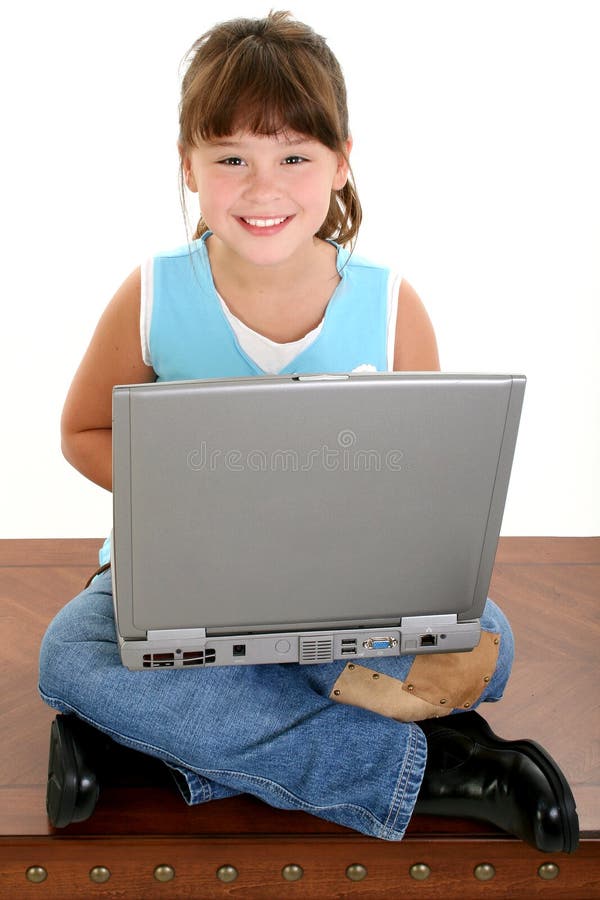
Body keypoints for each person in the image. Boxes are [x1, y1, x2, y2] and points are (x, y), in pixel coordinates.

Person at [39, 11, 578, 851]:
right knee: (69, 656)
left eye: (294, 156)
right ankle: (434, 768)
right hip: (183, 577)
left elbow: (426, 486)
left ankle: (143, 746)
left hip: (342, 589)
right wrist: (191, 500)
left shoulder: (391, 304)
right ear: (188, 165)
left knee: (488, 649)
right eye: (231, 159)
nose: (263, 188)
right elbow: (82, 430)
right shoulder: (150, 295)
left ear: (340, 162)